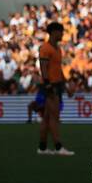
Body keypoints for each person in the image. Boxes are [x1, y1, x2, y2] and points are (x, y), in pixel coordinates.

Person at [36, 21, 73, 156]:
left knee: (47, 118)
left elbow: (58, 69)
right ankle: (58, 147)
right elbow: (43, 68)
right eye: (61, 31)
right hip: (50, 85)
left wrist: (65, 84)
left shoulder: (57, 49)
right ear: (54, 32)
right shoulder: (45, 48)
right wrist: (47, 84)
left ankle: (42, 147)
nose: (62, 34)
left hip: (56, 84)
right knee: (54, 117)